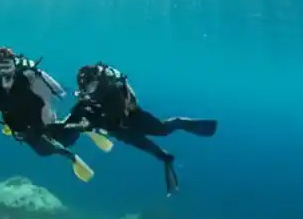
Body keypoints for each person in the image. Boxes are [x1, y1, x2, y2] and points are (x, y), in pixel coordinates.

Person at [63, 62, 217, 195]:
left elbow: (113, 118)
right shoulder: (90, 95)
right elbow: (84, 110)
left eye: (91, 87)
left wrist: (89, 124)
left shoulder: (112, 91)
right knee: (150, 149)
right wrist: (68, 121)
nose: (90, 91)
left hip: (133, 117)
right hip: (119, 130)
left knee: (162, 130)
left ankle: (181, 123)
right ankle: (166, 158)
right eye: (86, 88)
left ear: (99, 81)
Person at [0, 47, 95, 182]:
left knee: (50, 147)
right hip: (30, 127)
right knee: (46, 146)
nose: (1, 72)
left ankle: (75, 146)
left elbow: (54, 94)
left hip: (39, 125)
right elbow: (7, 105)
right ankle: (80, 126)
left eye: (5, 66)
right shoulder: (4, 82)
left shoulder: (26, 77)